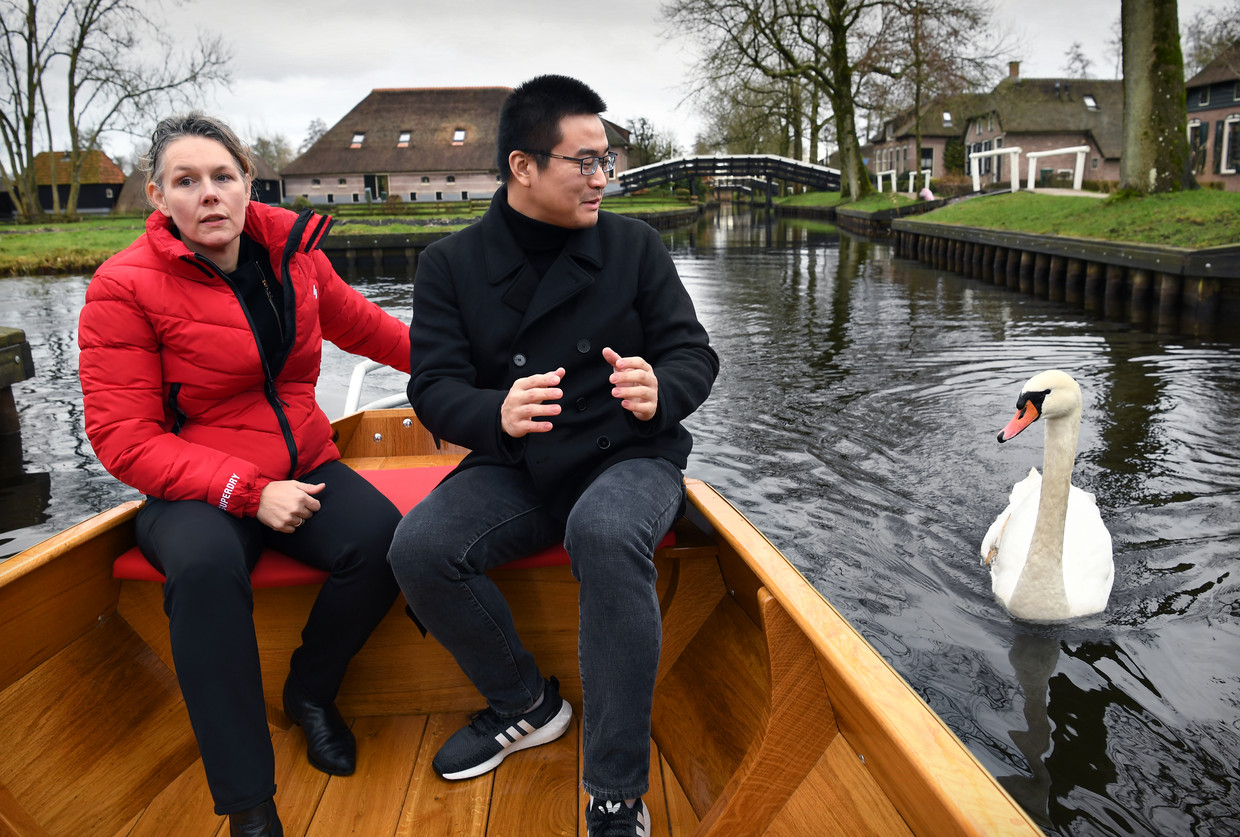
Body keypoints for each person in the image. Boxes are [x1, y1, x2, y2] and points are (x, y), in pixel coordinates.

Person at [387, 75, 718, 837]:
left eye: (609, 161)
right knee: (421, 546)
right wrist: (494, 412)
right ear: (522, 166)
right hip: (520, 463)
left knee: (604, 531)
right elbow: (432, 388)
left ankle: (614, 792)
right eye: (585, 161)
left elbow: (692, 354)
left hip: (630, 457)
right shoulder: (450, 264)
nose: (603, 178)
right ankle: (526, 703)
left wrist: (658, 387)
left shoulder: (633, 246)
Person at [78, 113, 410, 837]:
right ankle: (249, 806)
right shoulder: (121, 287)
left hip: (303, 464)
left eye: (222, 176)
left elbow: (368, 328)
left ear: (248, 182)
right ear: (157, 196)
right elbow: (122, 437)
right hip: (192, 486)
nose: (208, 194)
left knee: (389, 540)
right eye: (186, 181)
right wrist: (249, 493)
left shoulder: (293, 253)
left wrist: (473, 376)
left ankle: (311, 693)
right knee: (201, 573)